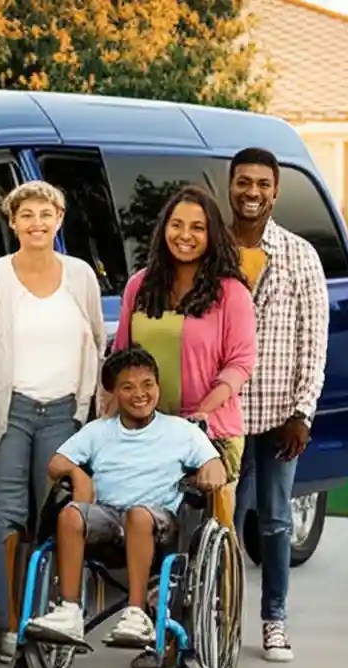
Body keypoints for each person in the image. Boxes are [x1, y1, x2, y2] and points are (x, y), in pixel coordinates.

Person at [0, 180, 107, 663]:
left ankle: (51, 616)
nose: (37, 223)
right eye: (27, 216)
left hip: (64, 414)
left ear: (59, 220)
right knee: (6, 518)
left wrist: (91, 413)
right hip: (10, 415)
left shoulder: (81, 275)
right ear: (12, 222)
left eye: (46, 214)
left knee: (59, 519)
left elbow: (98, 345)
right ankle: (9, 625)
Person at [26, 347, 226, 646]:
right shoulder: (98, 432)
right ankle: (69, 612)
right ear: (113, 393)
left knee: (138, 515)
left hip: (159, 523)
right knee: (70, 513)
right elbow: (56, 463)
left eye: (148, 385)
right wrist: (79, 474)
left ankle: (136, 613)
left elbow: (215, 466)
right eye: (128, 387)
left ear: (158, 387)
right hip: (109, 521)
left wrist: (211, 470)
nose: (140, 394)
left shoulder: (181, 431)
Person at [227, 147, 330, 663]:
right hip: (222, 415)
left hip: (276, 416)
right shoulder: (212, 248)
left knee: (274, 522)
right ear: (230, 186)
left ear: (275, 191)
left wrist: (302, 413)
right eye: (243, 182)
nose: (252, 192)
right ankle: (213, 618)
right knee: (214, 523)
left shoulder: (299, 255)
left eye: (262, 184)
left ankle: (274, 620)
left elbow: (314, 342)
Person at [107, 184, 257, 532]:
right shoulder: (140, 286)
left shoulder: (231, 293)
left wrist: (203, 411)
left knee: (203, 525)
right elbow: (121, 356)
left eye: (197, 227)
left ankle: (219, 581)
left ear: (212, 235)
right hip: (145, 426)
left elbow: (240, 364)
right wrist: (108, 417)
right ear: (164, 229)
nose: (184, 235)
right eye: (177, 225)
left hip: (209, 432)